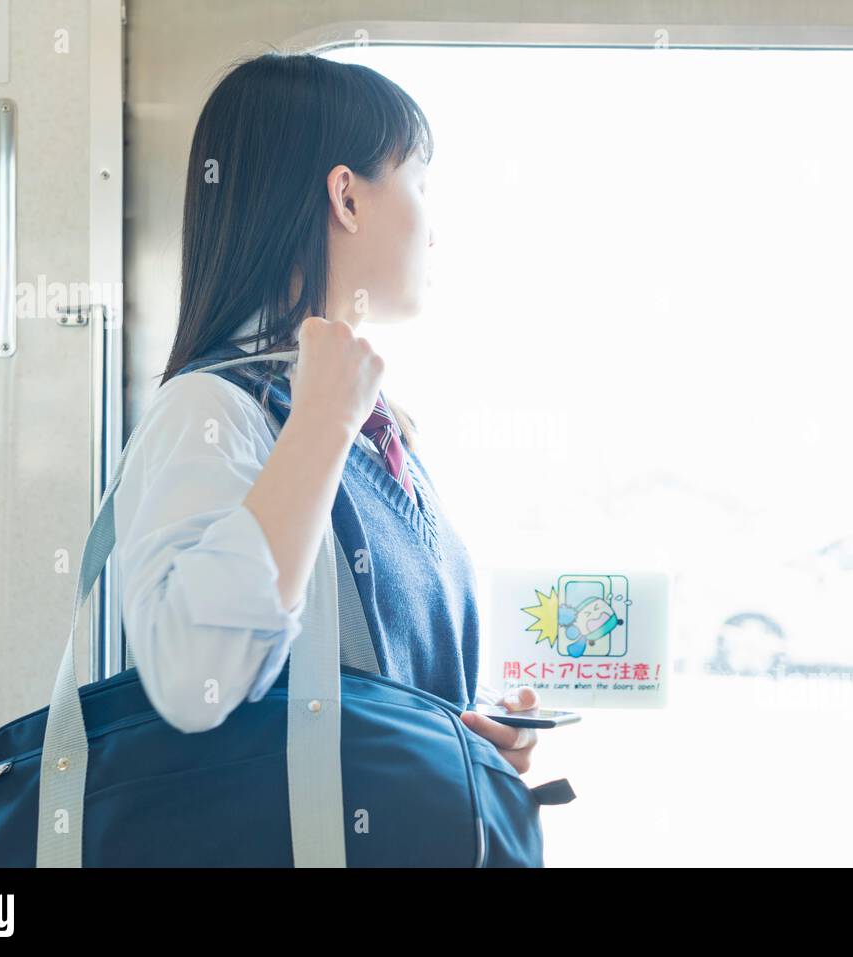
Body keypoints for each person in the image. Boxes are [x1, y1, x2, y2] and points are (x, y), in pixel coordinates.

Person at [112, 50, 539, 775]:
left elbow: (368, 673)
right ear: (345, 197)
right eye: (421, 184)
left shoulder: (371, 425)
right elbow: (194, 678)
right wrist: (320, 426)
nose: (432, 229)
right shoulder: (214, 410)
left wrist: (478, 732)